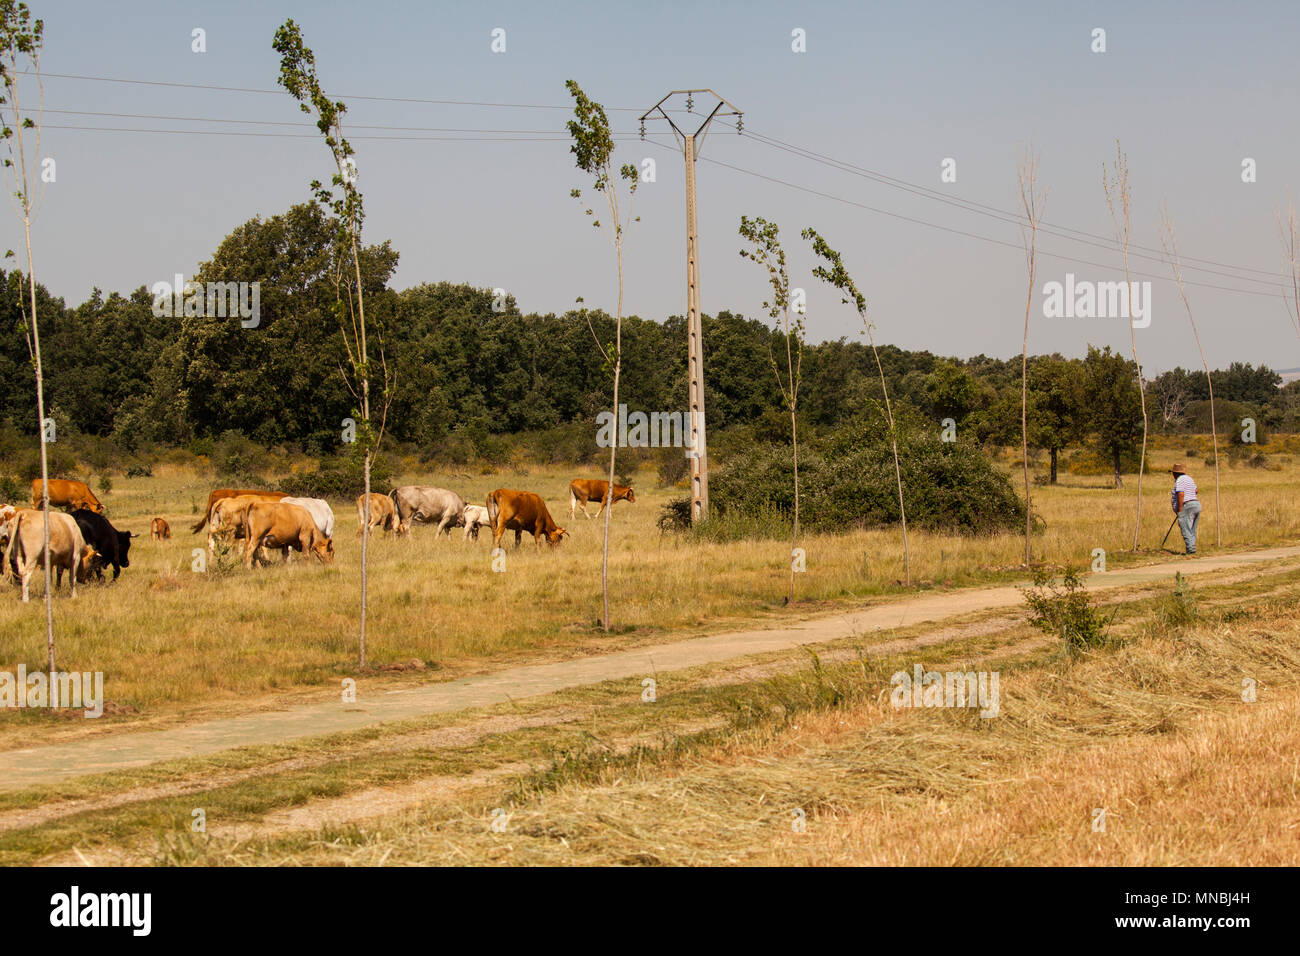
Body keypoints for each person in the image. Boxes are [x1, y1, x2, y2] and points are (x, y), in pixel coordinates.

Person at [1170, 463, 1200, 555]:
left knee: (1185, 527)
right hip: (1196, 504)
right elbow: (1196, 490)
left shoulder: (1179, 480)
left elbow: (1181, 493)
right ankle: (1192, 546)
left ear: (1175, 473)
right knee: (1192, 528)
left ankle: (1191, 549)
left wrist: (1180, 508)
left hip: (1186, 505)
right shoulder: (1189, 479)